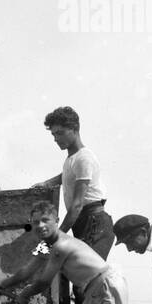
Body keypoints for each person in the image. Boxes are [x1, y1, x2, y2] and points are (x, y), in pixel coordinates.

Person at [43, 106, 114, 256]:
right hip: (82, 222)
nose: (56, 139)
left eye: (60, 133)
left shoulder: (83, 158)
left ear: (74, 129)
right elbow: (67, 175)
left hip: (94, 221)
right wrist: (46, 184)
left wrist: (57, 235)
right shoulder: (72, 158)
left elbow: (76, 206)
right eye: (54, 134)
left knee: (88, 274)